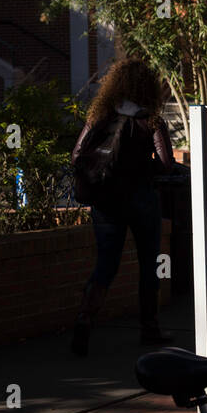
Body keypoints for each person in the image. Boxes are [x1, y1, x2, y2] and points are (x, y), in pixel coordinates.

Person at [70, 57, 175, 356]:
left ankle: (84, 320)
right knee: (148, 264)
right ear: (148, 87)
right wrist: (143, 171)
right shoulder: (150, 120)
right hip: (141, 200)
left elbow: (77, 156)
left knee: (106, 265)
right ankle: (150, 329)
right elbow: (166, 164)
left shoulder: (99, 117)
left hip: (105, 202)